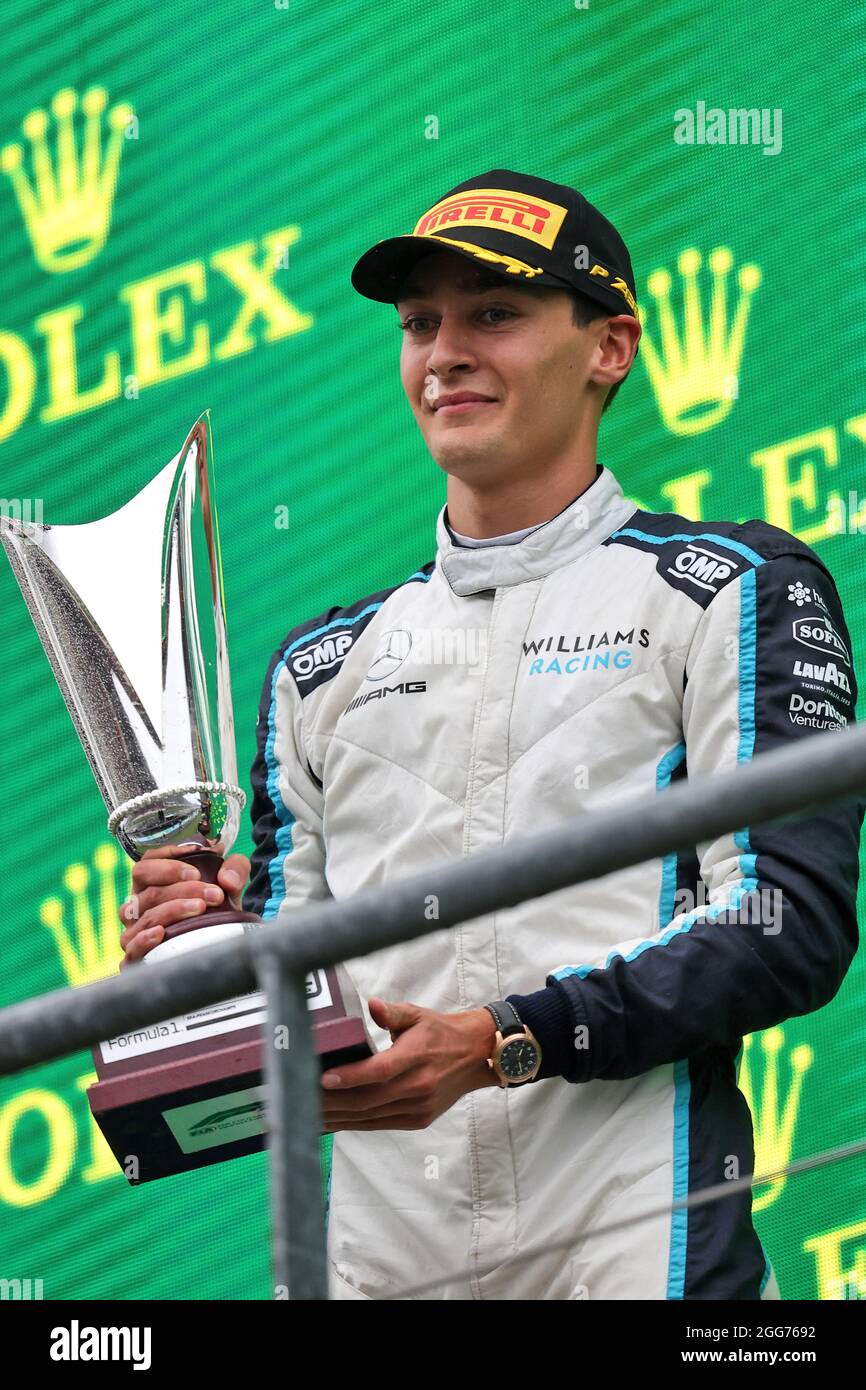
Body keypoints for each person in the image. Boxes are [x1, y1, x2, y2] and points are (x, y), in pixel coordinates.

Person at [120, 170, 864, 1301]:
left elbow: (785, 923)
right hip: (374, 1263)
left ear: (608, 346)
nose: (444, 352)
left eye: (495, 313)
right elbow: (288, 991)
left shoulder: (727, 590)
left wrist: (503, 1037)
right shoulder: (317, 669)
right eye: (421, 322)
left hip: (637, 1249)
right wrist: (202, 949)